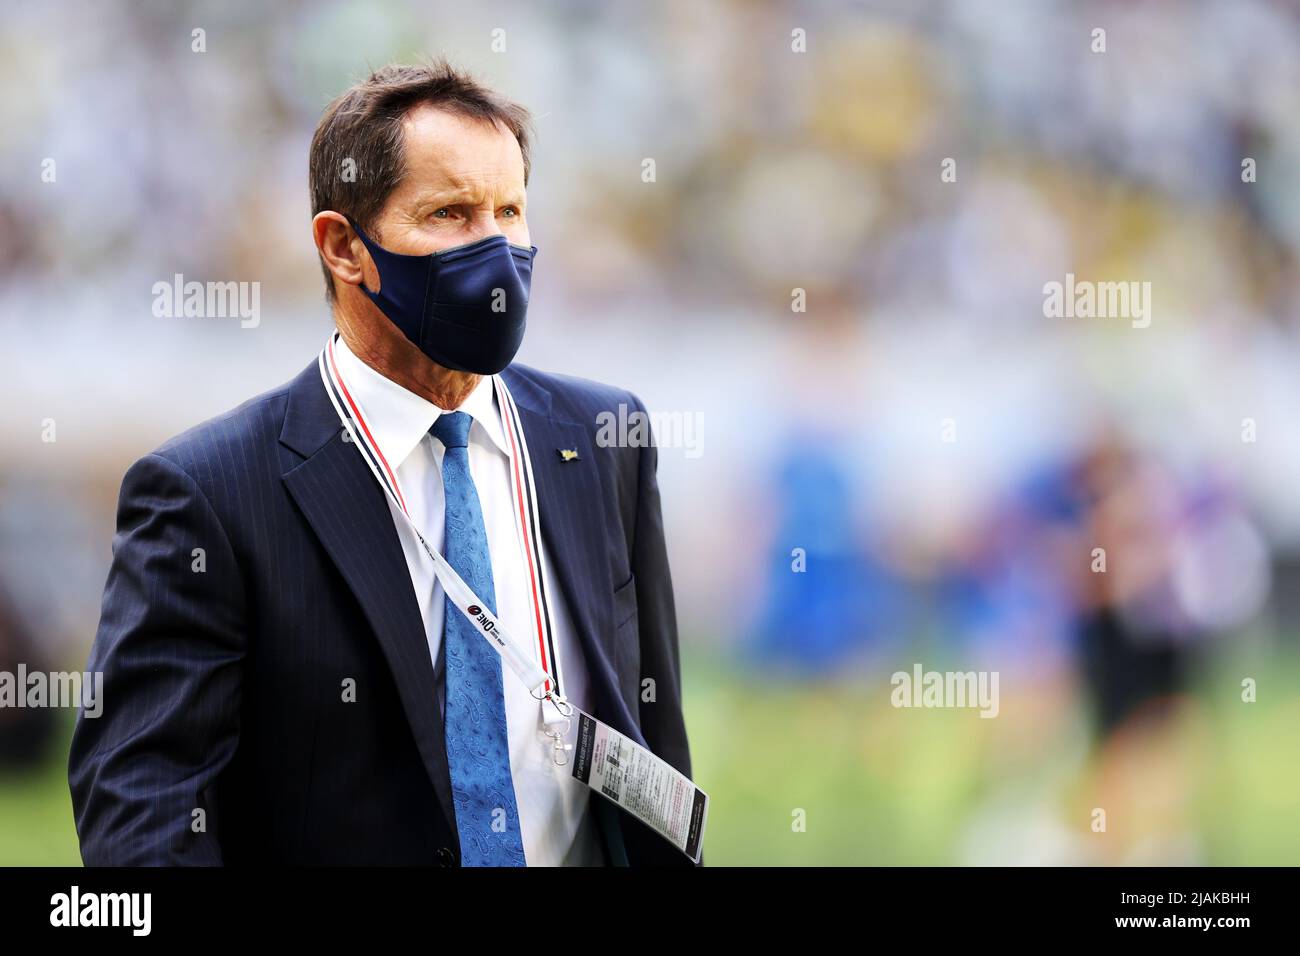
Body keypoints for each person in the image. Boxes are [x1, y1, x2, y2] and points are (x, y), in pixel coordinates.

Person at [68, 59, 696, 866]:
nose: (496, 251)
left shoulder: (605, 436)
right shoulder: (209, 492)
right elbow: (143, 814)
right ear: (343, 248)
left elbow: (654, 747)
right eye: (450, 214)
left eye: (509, 211)